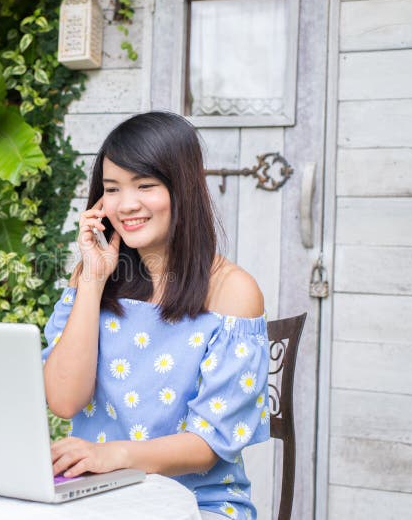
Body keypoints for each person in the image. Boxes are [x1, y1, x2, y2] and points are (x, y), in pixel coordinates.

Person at [42, 112, 269, 520]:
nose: (126, 204)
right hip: (97, 499)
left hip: (199, 504)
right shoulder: (94, 276)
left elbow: (207, 445)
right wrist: (93, 280)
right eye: (112, 189)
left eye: (145, 185)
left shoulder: (233, 291)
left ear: (182, 189)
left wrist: (111, 454)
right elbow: (63, 400)